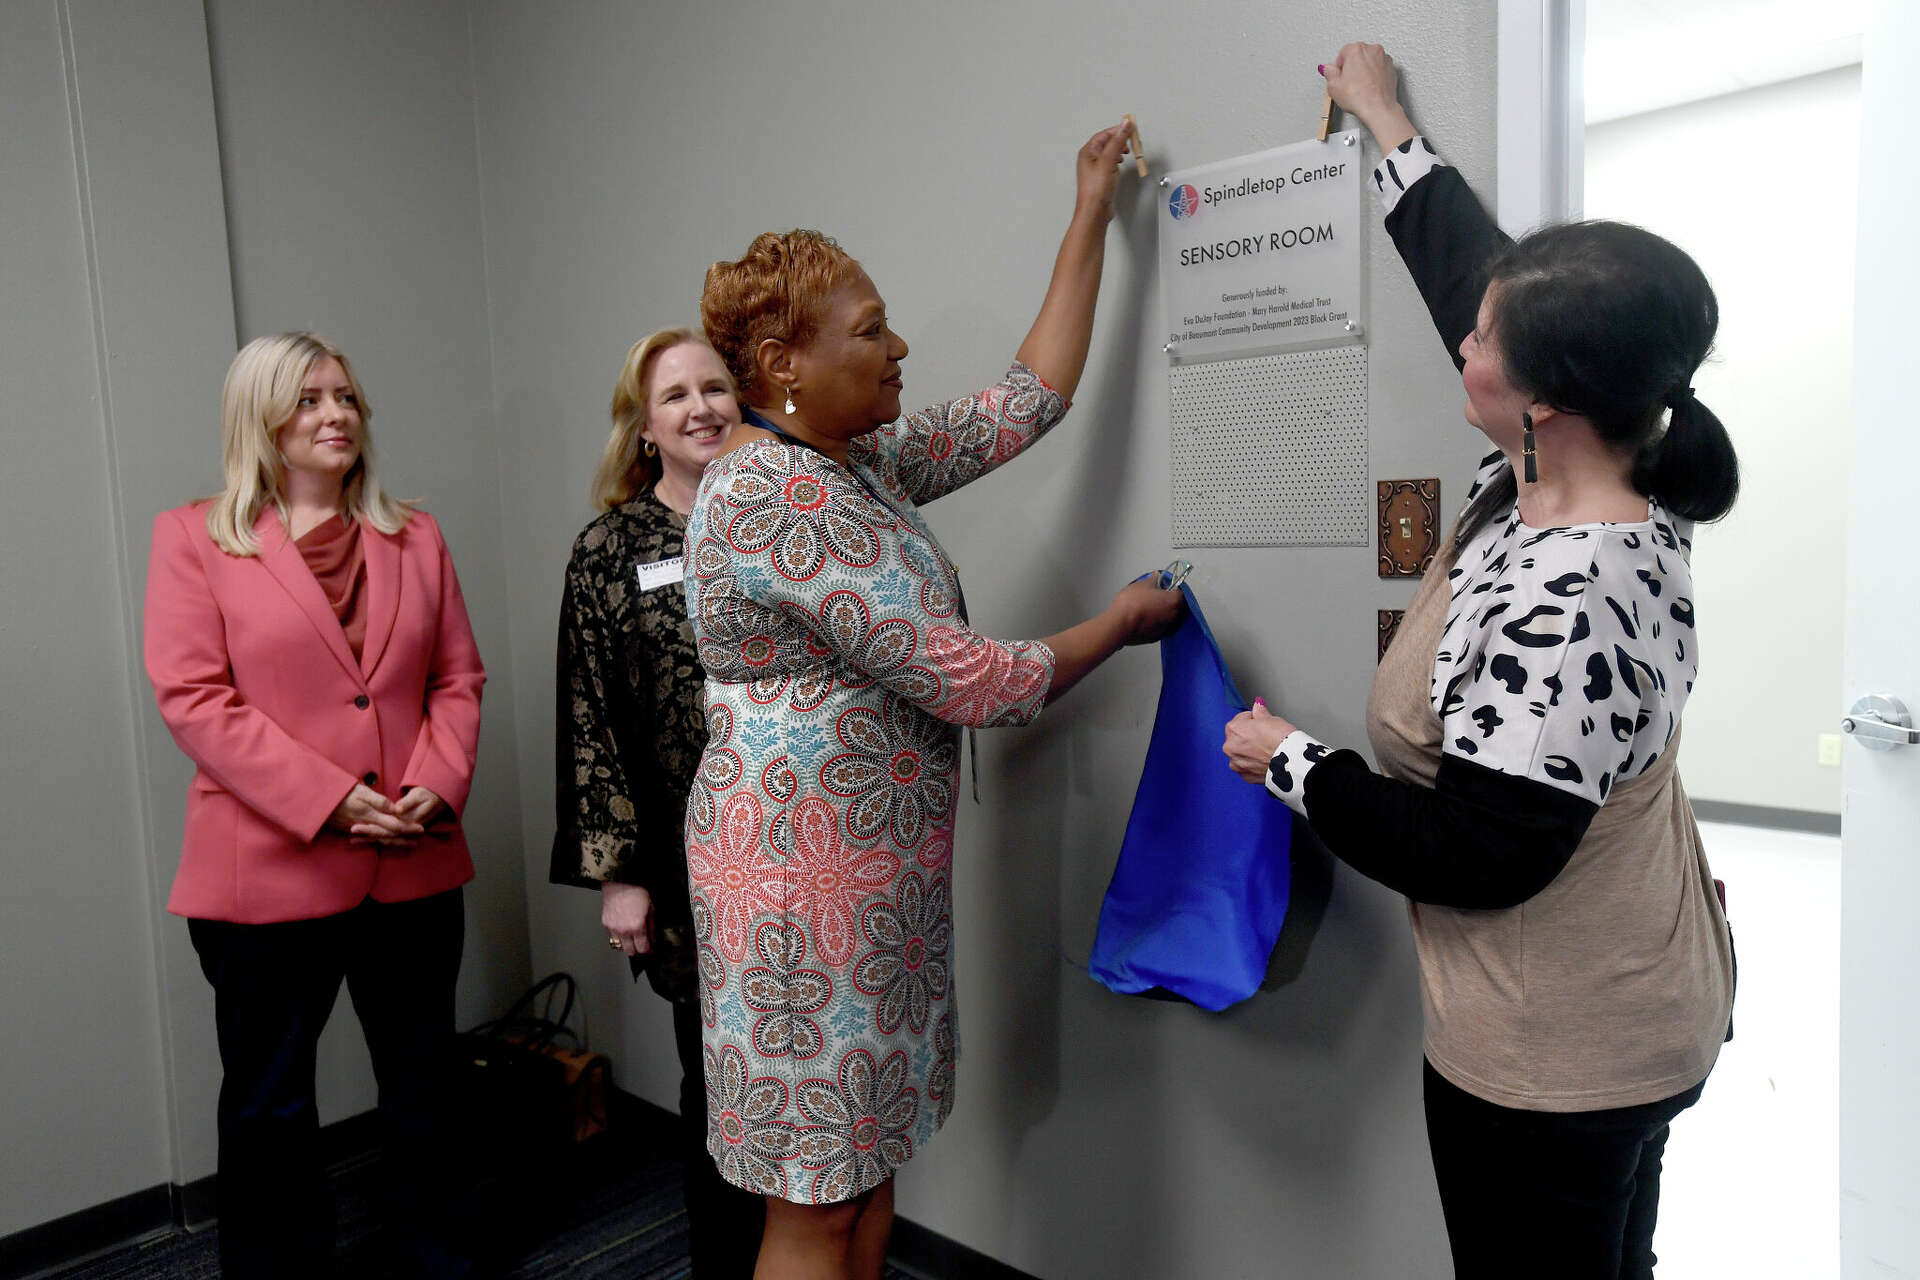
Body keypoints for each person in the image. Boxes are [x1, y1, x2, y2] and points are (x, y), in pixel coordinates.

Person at [1223, 45, 1739, 1280]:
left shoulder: (1573, 593)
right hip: (1635, 991)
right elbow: (1478, 280)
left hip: (1566, 1057)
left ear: (1543, 400)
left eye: (1484, 341)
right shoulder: (1603, 448)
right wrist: (1387, 124)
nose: (1463, 340)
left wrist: (1289, 760)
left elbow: (1479, 855)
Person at [687, 121, 1184, 1279]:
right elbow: (974, 678)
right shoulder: (775, 495)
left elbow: (1029, 398)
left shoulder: (851, 461)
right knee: (816, 1201)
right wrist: (1116, 623)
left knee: (866, 1179)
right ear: (783, 366)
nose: (898, 344)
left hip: (872, 885)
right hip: (799, 897)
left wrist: (1088, 211)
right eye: (870, 331)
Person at [143, 333, 486, 1277]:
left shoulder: (417, 534)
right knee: (269, 1106)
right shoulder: (194, 538)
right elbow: (193, 697)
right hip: (267, 873)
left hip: (413, 858)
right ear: (262, 419)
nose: (335, 415)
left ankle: (441, 1262)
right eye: (308, 400)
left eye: (345, 397)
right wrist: (330, 798)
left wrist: (436, 781)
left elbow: (458, 678)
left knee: (424, 1089)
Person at [551, 326, 765, 1276]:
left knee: (799, 1079)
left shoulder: (781, 520)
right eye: (675, 395)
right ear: (645, 428)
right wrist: (617, 877)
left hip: (797, 843)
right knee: (717, 1085)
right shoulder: (610, 549)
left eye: (715, 387)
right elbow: (588, 715)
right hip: (684, 870)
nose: (701, 408)